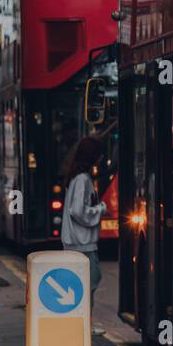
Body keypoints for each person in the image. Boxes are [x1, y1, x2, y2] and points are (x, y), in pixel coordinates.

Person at [61, 136, 106, 332]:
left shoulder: (77, 177)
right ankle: (83, 324)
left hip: (76, 242)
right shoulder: (83, 179)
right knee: (90, 281)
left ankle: (83, 323)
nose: (102, 158)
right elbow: (78, 210)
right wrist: (100, 209)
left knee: (85, 283)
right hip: (82, 243)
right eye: (100, 154)